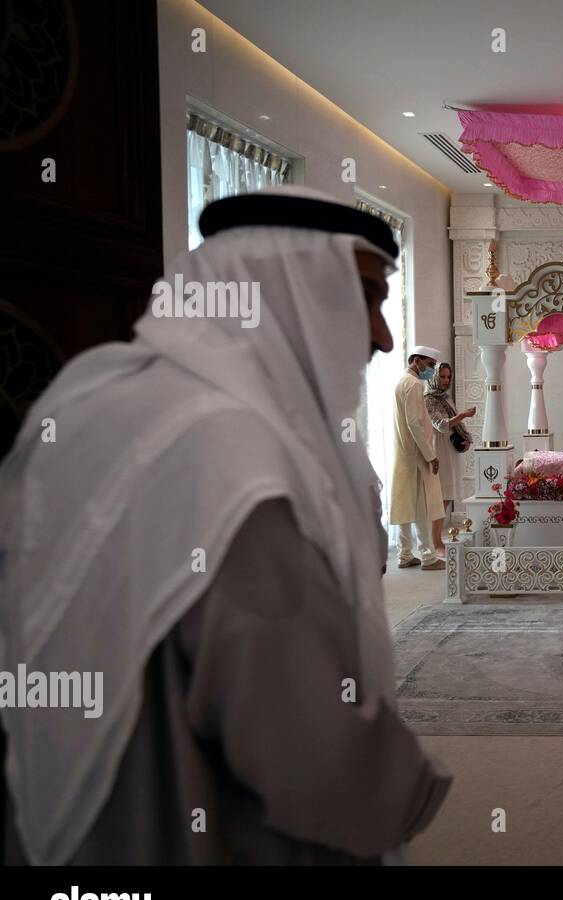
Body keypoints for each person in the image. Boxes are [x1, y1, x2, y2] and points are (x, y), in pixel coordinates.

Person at [0, 185, 451, 864]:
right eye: (365, 296)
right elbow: (304, 743)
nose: (382, 335)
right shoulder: (240, 459)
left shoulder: (90, 391)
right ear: (287, 288)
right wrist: (401, 792)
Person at [391, 346, 444, 569]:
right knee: (422, 504)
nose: (431, 370)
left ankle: (404, 554)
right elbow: (414, 423)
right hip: (416, 453)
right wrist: (430, 455)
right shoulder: (413, 384)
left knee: (404, 502)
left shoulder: (402, 381)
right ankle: (428, 556)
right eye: (430, 365)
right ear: (417, 361)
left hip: (403, 452)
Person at [424, 362, 475, 560]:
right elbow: (441, 425)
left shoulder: (445, 398)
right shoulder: (429, 399)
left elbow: (454, 425)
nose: (445, 381)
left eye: (447, 377)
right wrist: (462, 415)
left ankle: (436, 540)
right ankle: (435, 542)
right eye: (442, 377)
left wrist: (465, 437)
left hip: (448, 449)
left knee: (445, 497)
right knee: (440, 497)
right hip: (439, 448)